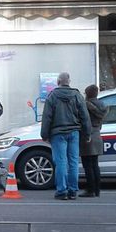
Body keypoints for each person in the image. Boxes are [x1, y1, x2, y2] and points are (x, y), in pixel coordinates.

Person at [41, 72, 90, 200]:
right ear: (69, 81)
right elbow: (85, 116)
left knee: (61, 162)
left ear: (58, 82)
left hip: (57, 133)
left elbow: (47, 117)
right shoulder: (77, 95)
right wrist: (87, 133)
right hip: (74, 132)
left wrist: (44, 134)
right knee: (73, 162)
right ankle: (73, 191)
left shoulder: (52, 96)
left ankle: (62, 191)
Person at [79, 84, 107, 198]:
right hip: (97, 134)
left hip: (88, 135)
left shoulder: (85, 105)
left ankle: (90, 190)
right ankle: (97, 190)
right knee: (95, 164)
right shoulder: (102, 104)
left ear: (88, 94)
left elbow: (83, 120)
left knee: (87, 165)